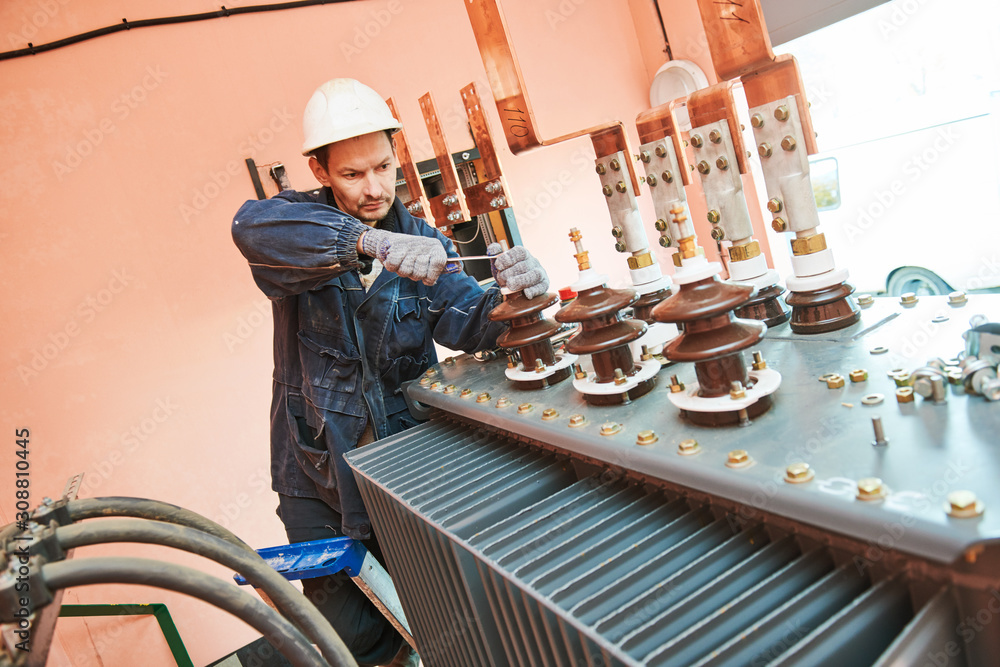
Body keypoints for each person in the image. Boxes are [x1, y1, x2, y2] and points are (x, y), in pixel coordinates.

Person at [231, 78, 548, 666]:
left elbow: (472, 322)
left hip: (404, 468)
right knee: (346, 637)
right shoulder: (297, 227)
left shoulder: (423, 241)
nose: (374, 187)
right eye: (353, 175)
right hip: (316, 473)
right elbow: (249, 228)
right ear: (320, 170)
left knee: (435, 618)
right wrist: (369, 242)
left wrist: (515, 295)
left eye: (383, 166)